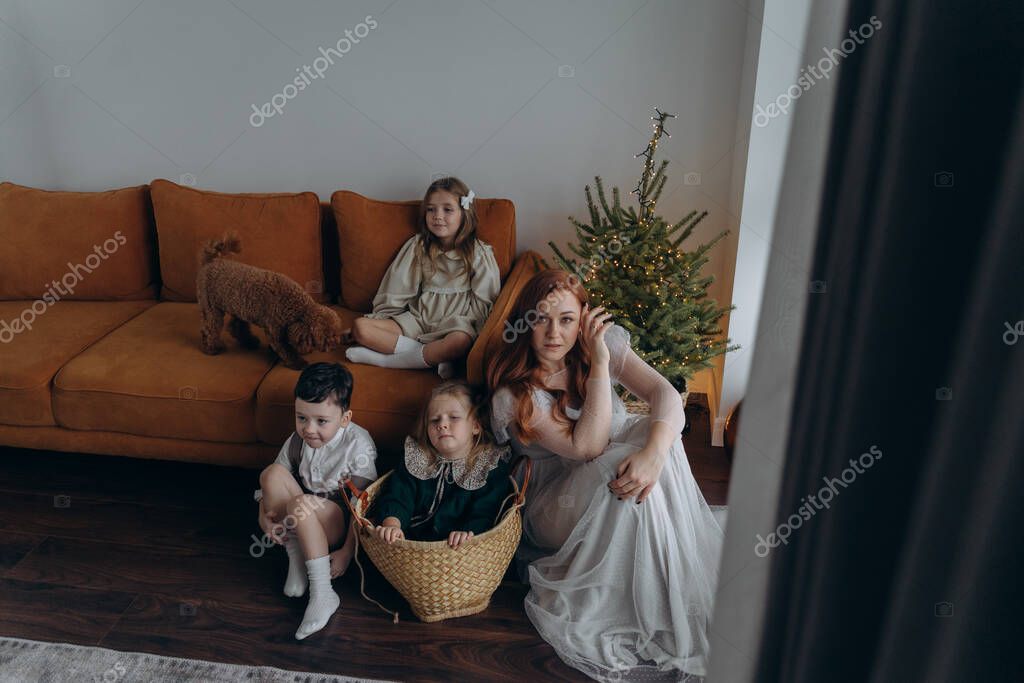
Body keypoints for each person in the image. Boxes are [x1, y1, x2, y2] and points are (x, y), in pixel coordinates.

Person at [487, 269, 725, 682]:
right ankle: (653, 606)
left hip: (609, 478)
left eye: (566, 319)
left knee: (652, 443)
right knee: (623, 462)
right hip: (551, 507)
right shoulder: (516, 393)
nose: (553, 333)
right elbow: (588, 448)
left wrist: (653, 453)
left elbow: (666, 395)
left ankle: (666, 598)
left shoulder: (603, 344)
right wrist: (599, 364)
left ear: (583, 318)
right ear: (526, 322)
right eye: (541, 319)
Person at [256, 362, 378, 640]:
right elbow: (271, 488)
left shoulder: (358, 445)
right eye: (301, 418)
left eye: (321, 421)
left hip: (336, 520)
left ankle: (323, 593)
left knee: (300, 505)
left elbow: (363, 507)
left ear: (345, 419)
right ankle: (296, 554)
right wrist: (263, 517)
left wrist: (348, 553)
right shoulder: (297, 441)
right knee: (271, 474)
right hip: (303, 515)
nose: (309, 429)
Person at [345, 176, 501, 379]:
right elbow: (399, 287)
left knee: (459, 342)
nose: (437, 216)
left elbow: (485, 301)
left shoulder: (478, 252)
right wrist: (381, 320)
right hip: (419, 319)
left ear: (464, 213)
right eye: (431, 209)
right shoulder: (418, 246)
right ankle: (431, 356)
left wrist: (475, 328)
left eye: (447, 209)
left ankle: (385, 361)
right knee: (361, 328)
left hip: (456, 323)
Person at [374, 380, 512, 548]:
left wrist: (469, 532)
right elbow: (398, 496)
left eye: (453, 417)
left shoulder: (487, 466)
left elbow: (486, 511)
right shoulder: (418, 458)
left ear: (475, 426)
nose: (442, 424)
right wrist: (392, 524)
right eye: (434, 420)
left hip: (460, 547)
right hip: (411, 543)